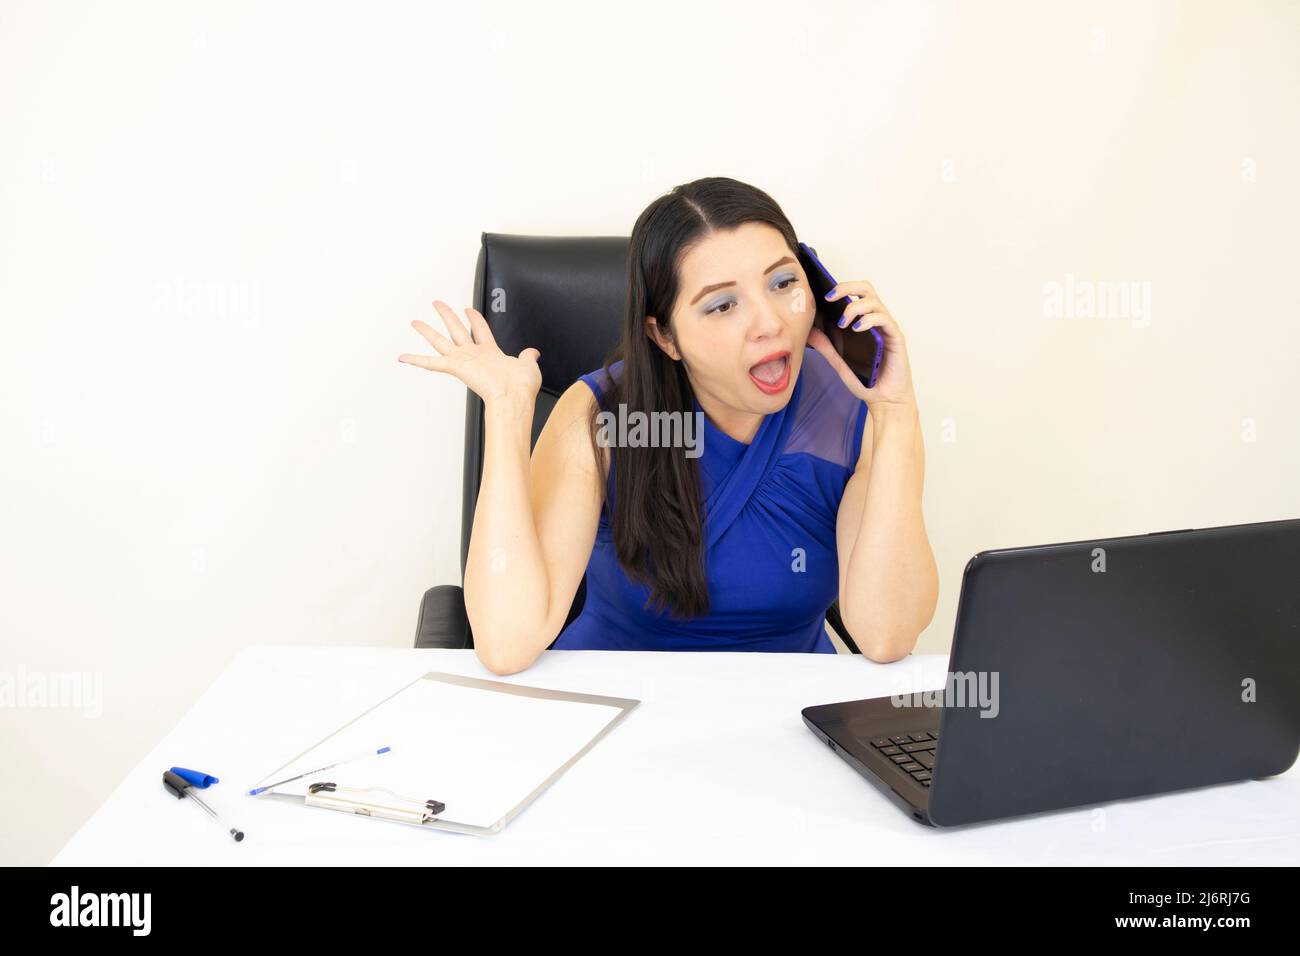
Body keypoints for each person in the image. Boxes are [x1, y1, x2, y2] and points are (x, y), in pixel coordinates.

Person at [399, 177, 938, 673]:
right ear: (665, 337)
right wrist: (508, 412)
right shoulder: (605, 417)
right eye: (723, 305)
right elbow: (507, 642)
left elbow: (886, 635)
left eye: (782, 283)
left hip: (789, 711)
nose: (770, 322)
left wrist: (896, 412)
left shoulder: (854, 408)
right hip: (618, 702)